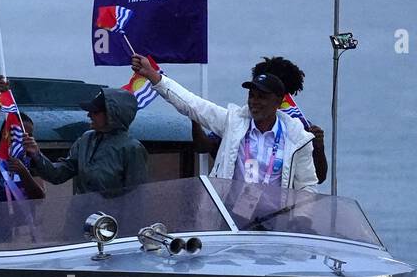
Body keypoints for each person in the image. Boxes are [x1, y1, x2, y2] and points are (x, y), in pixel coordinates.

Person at [130, 54, 318, 190]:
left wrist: (299, 220)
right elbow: (193, 104)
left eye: (262, 97)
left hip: (276, 227)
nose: (254, 102)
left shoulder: (297, 137)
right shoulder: (233, 122)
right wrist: (153, 76)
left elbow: (307, 186)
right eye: (251, 96)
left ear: (278, 101)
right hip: (233, 222)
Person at [189, 57, 327, 184]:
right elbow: (204, 146)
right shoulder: (245, 120)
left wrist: (319, 148)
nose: (256, 100)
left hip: (278, 208)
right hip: (235, 204)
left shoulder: (299, 128)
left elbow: (319, 177)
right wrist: (195, 114)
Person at [21, 87, 148, 194]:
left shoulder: (132, 149)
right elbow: (58, 175)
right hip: (80, 218)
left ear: (112, 115)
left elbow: (136, 198)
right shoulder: (85, 139)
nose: (89, 115)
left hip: (110, 221)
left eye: (95, 112)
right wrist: (37, 156)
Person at [0, 75, 44, 203]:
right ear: (4, 135)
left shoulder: (31, 162)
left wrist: (23, 173)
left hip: (22, 222)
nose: (23, 138)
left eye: (29, 135)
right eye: (16, 133)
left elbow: (39, 197)